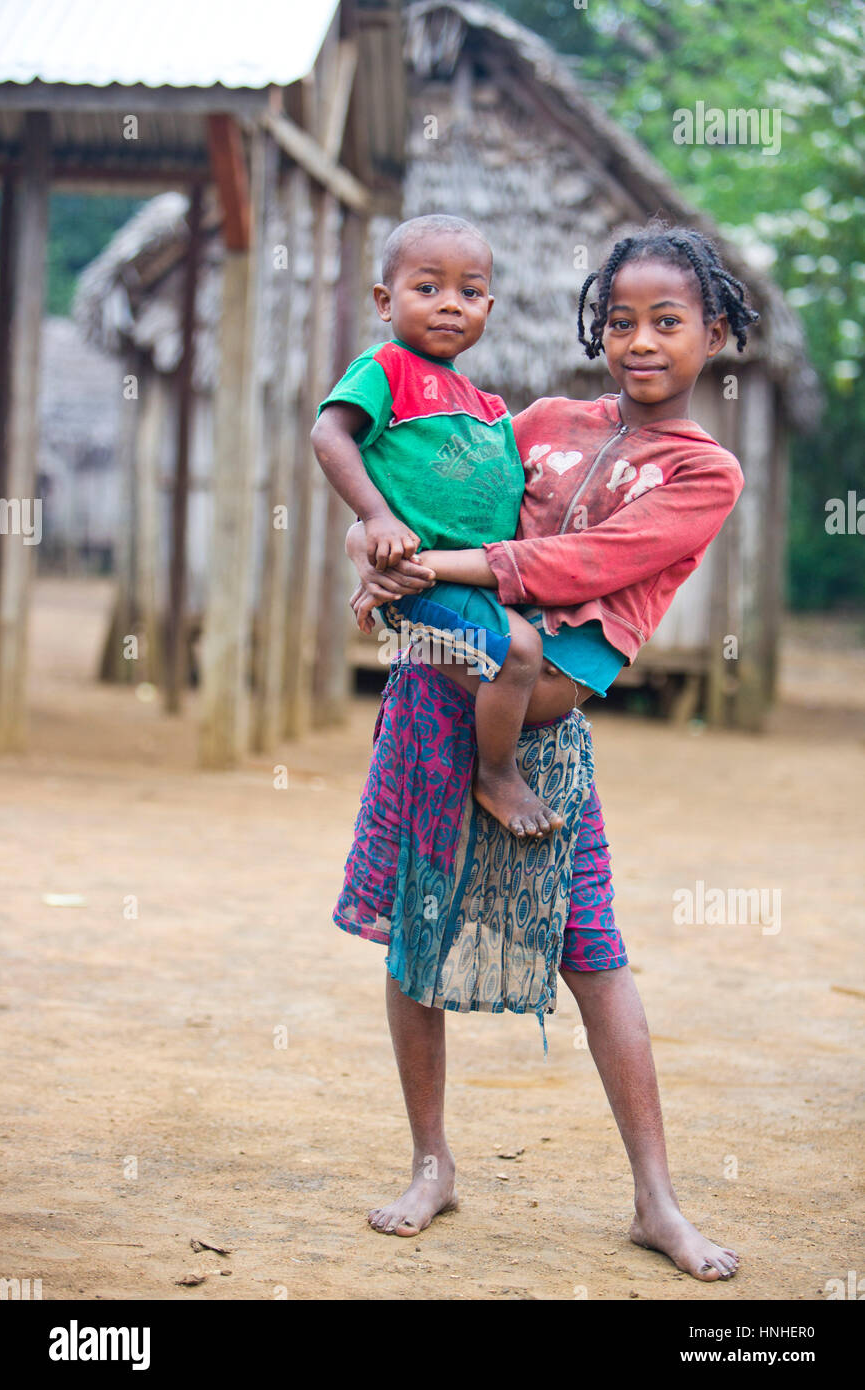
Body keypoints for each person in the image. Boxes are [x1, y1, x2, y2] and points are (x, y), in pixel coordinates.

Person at [338, 222, 759, 1281]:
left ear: (712, 333)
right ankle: (431, 1163)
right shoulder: (539, 421)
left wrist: (424, 557)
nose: (640, 341)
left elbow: (579, 564)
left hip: (541, 728)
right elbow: (430, 491)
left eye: (667, 322)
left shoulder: (702, 471)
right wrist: (374, 541)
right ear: (595, 329)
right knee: (413, 927)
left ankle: (654, 1198)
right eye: (619, 320)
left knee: (591, 947)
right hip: (432, 694)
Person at [313, 212, 617, 838]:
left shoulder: (488, 409)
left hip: (478, 579)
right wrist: (374, 521)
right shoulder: (385, 369)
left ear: (489, 306)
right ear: (384, 300)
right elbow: (328, 435)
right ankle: (496, 775)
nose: (450, 304)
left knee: (537, 648)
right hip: (424, 579)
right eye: (428, 288)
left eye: (470, 292)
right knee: (521, 652)